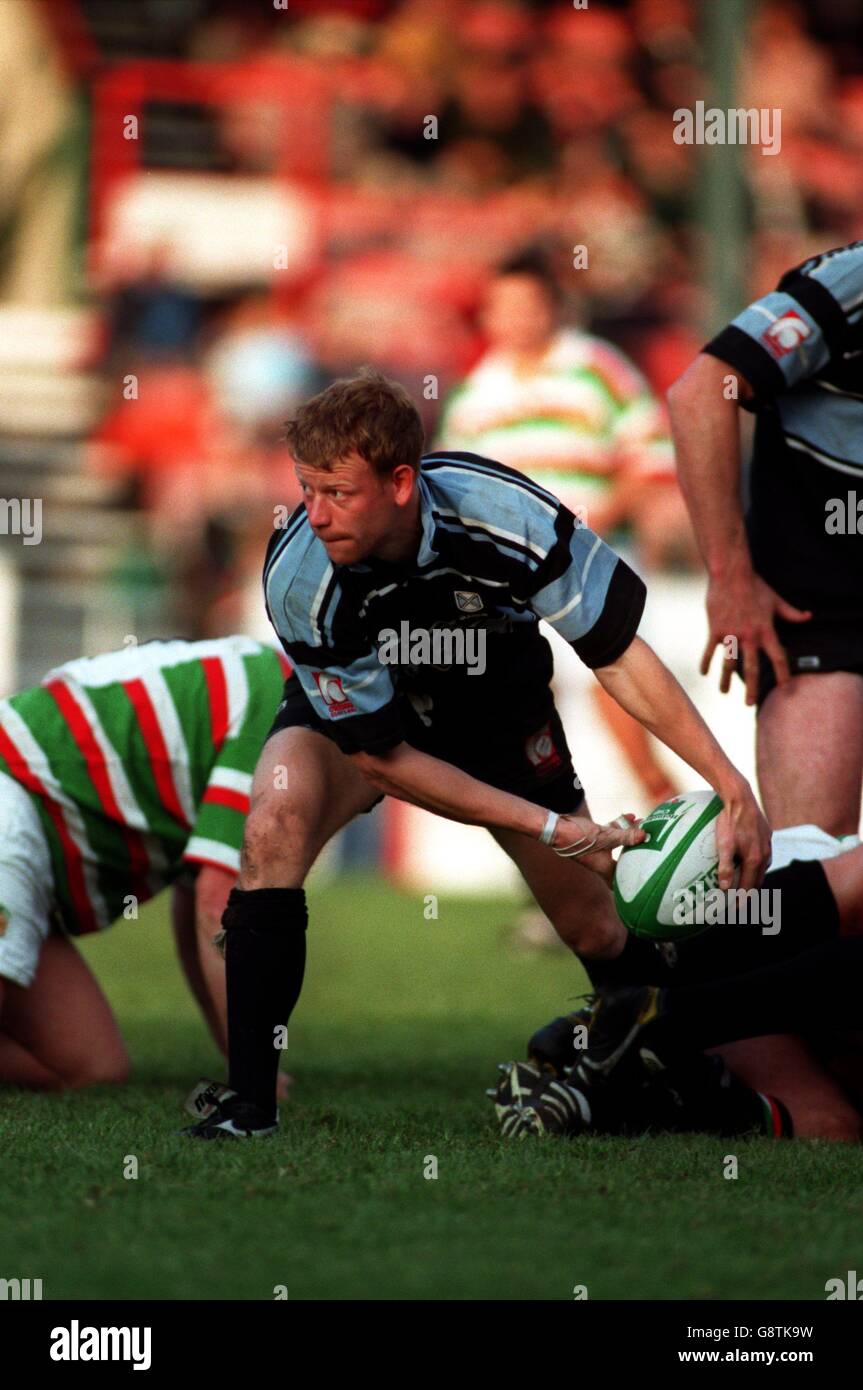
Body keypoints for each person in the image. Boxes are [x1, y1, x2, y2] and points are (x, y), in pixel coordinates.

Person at [183, 368, 770, 1140]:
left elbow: (618, 652)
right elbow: (381, 759)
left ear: (400, 482)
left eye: (336, 492)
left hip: (498, 706)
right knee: (273, 823)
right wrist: (553, 827)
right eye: (305, 489)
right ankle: (249, 1106)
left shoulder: (503, 512)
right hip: (379, 720)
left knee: (595, 927)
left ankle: (693, 1082)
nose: (313, 514)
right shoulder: (299, 574)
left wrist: (727, 783)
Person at [437, 248, 683, 807]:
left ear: (552, 308)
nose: (516, 318)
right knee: (524, 706)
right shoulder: (474, 395)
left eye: (527, 305)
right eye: (504, 307)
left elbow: (650, 456)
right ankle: (556, 840)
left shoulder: (597, 368)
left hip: (592, 558)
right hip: (509, 579)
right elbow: (451, 498)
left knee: (618, 684)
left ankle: (665, 807)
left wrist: (583, 531)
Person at [0, 635, 289, 1092]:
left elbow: (201, 896)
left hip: (28, 826)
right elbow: (218, 904)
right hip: (9, 799)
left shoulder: (266, 680)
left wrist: (238, 1053)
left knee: (93, 1066)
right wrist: (255, 1074)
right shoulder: (276, 702)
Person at [667, 237, 863, 837]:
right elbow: (702, 391)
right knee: (812, 857)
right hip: (819, 611)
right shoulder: (848, 285)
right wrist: (731, 580)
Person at [498, 826, 863, 1143]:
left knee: (832, 1128)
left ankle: (643, 1067)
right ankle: (657, 1006)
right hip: (761, 939)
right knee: (850, 887)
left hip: (772, 986)